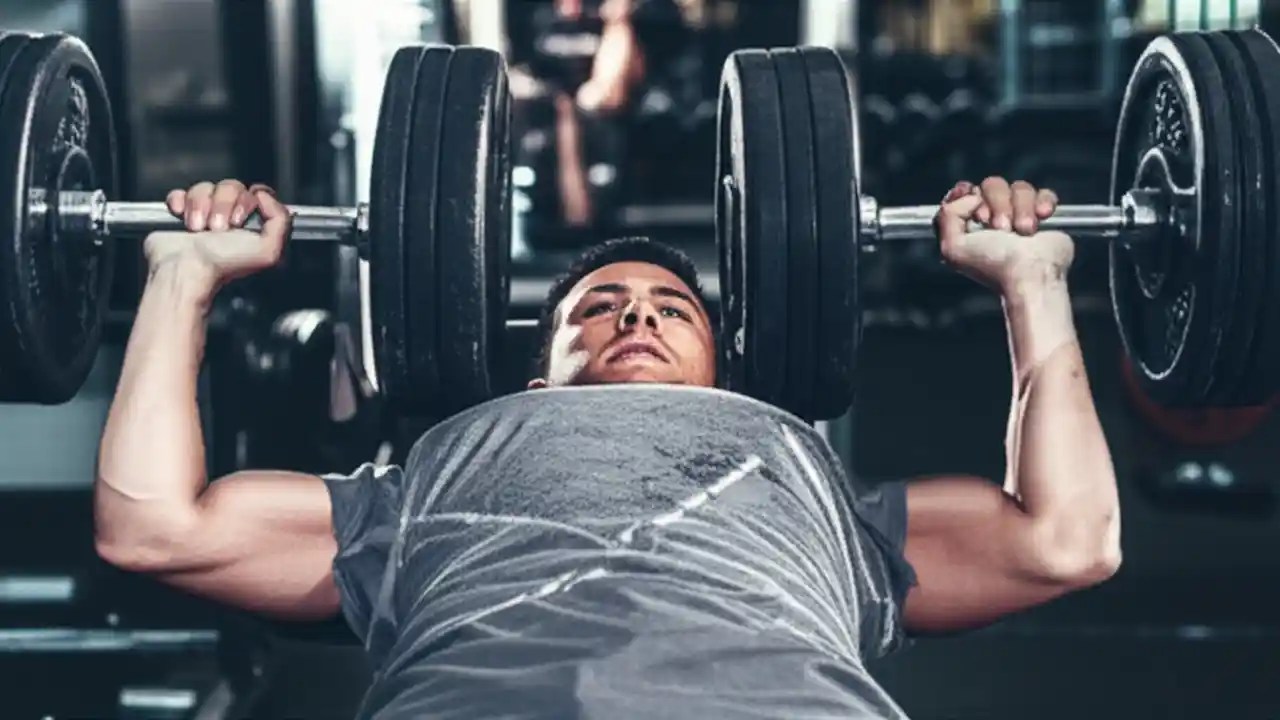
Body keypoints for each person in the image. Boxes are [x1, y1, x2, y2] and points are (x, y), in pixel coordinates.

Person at [95, 176, 1121, 718]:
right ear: (536, 377)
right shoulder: (431, 477)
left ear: (719, 380)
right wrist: (180, 277)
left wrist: (1031, 285)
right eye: (598, 308)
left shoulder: (809, 485)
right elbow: (151, 529)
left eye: (672, 309)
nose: (636, 318)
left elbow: (1066, 541)